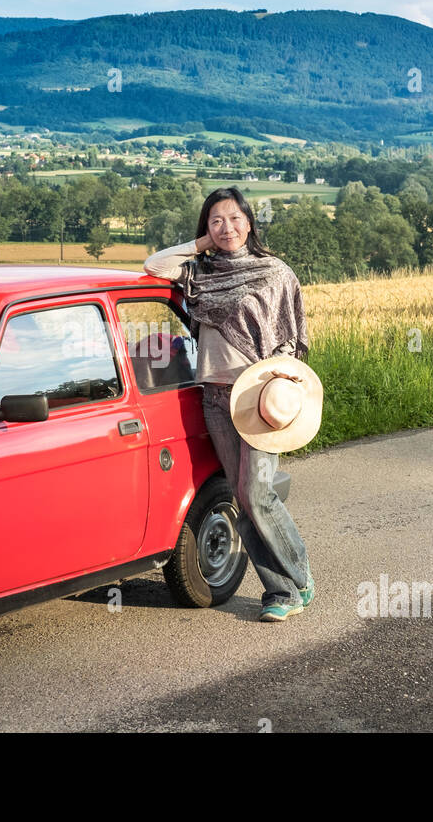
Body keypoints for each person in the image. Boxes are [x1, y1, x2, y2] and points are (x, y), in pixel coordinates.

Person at [143, 186, 314, 622]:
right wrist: (200, 245)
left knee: (257, 494)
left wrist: (281, 386)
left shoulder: (273, 272)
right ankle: (284, 588)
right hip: (215, 397)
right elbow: (154, 265)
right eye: (216, 221)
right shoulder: (200, 273)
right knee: (242, 496)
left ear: (250, 222)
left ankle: (294, 581)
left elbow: (291, 335)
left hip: (258, 396)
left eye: (235, 219)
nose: (227, 228)